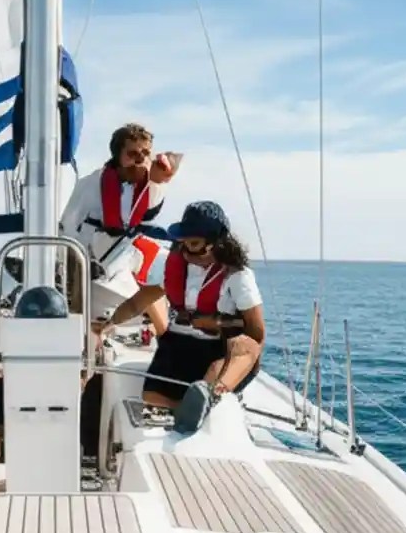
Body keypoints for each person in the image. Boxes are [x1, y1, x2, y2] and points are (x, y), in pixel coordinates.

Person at [92, 201, 265, 408]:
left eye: (193, 243)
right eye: (183, 242)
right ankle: (191, 407)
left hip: (216, 348)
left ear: (216, 242)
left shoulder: (238, 276)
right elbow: (137, 303)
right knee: (151, 396)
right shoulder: (178, 268)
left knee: (243, 348)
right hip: (180, 346)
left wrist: (217, 323)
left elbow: (257, 334)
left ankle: (209, 394)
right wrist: (108, 323)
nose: (185, 251)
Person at [59, 122, 178, 335]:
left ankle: (166, 337)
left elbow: (149, 211)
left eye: (145, 154)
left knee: (162, 273)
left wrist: (158, 180)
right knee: (79, 284)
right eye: (132, 154)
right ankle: (82, 331)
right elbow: (67, 227)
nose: (140, 160)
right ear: (117, 155)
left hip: (125, 252)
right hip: (89, 256)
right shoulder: (89, 186)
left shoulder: (148, 184)